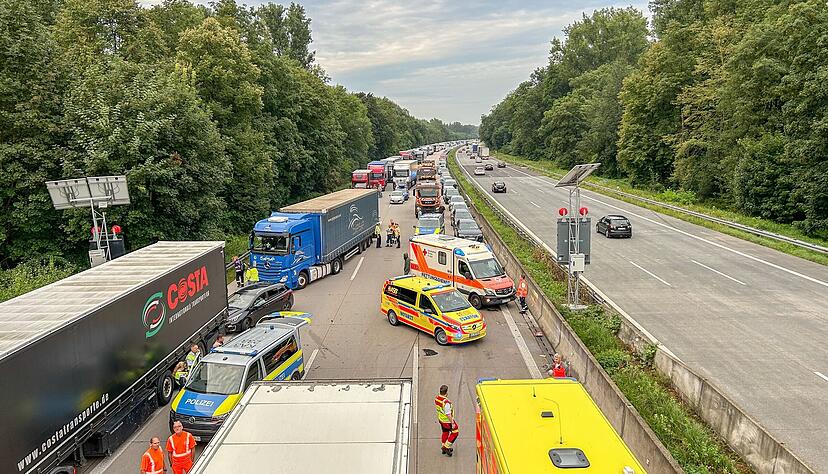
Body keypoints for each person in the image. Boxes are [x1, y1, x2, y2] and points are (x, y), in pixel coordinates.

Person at [435, 385, 459, 456]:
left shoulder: (437, 398)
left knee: (445, 432)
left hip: (441, 420)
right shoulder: (446, 403)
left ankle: (444, 446)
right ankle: (445, 447)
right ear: (446, 393)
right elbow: (448, 414)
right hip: (447, 421)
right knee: (455, 432)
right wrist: (452, 423)